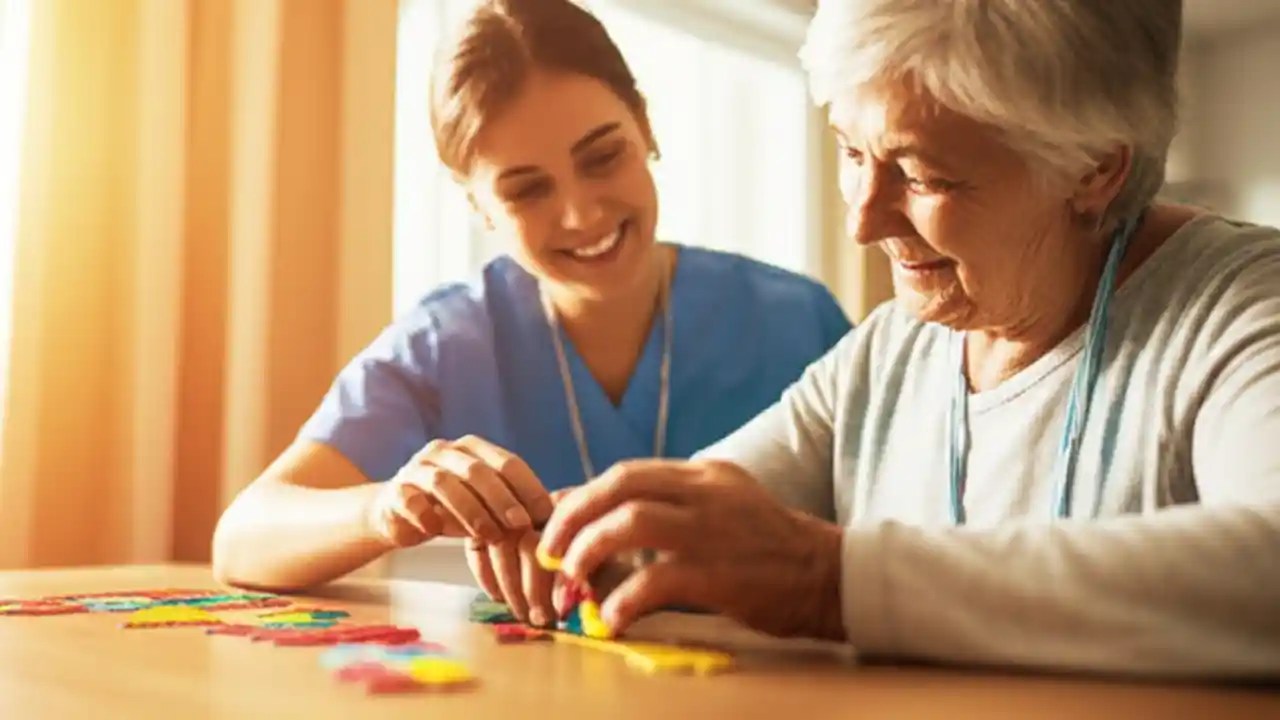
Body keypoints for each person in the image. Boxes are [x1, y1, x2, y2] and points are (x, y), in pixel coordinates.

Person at [535, 0, 1280, 678]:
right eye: (852, 154)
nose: (864, 221)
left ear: (1093, 169)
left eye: (925, 177)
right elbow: (691, 535)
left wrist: (832, 582)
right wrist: (558, 537)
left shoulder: (1242, 307)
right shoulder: (887, 352)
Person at [210, 0, 852, 625]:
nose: (581, 214)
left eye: (603, 157)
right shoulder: (447, 345)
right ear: (479, 207)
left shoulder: (797, 320)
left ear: (646, 127)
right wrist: (386, 508)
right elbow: (243, 538)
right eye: (526, 190)